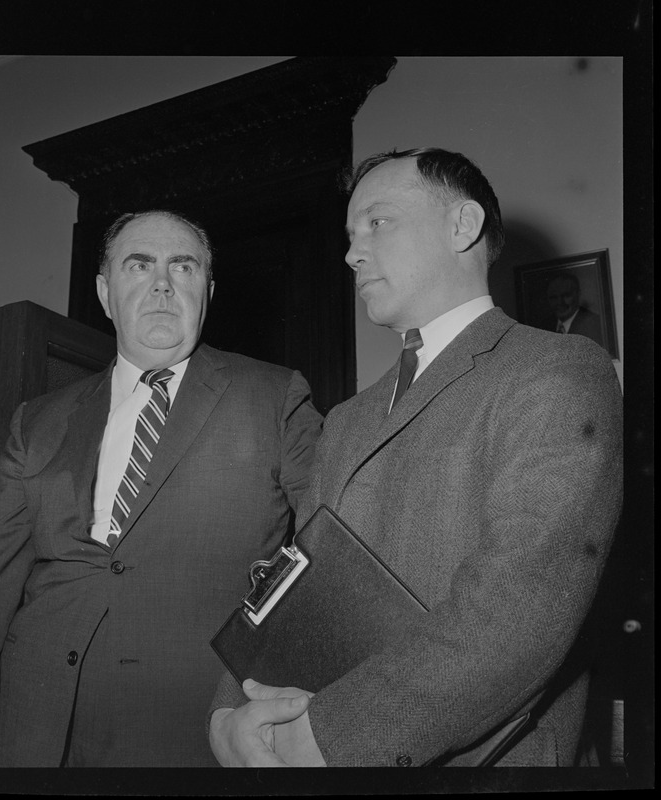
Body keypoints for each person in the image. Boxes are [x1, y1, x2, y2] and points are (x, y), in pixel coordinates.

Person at [208, 148, 623, 767]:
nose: (351, 253)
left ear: (463, 226)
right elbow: (291, 587)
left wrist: (328, 738)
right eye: (350, 235)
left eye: (376, 223)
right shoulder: (346, 419)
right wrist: (227, 716)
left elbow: (517, 613)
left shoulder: (557, 370)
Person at [0, 210, 322, 767]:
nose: (162, 283)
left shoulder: (274, 396)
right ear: (104, 293)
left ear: (208, 292)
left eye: (182, 267)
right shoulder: (37, 421)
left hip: (193, 729)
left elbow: (334, 556)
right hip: (35, 730)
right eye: (138, 265)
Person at [546, 272, 605, 347]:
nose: (560, 302)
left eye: (566, 295)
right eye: (554, 297)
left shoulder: (596, 324)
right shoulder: (544, 327)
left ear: (578, 294)